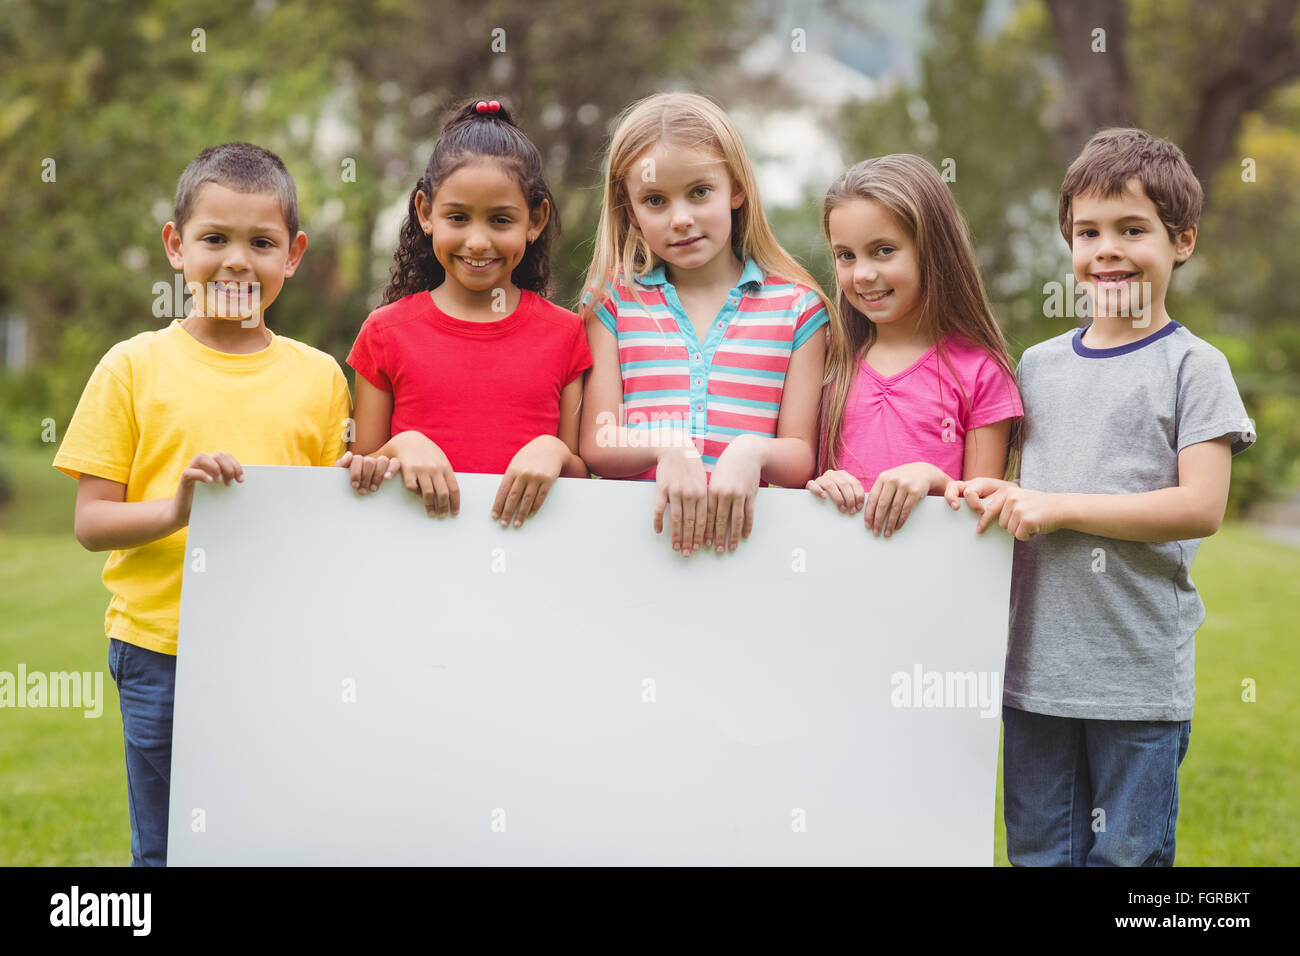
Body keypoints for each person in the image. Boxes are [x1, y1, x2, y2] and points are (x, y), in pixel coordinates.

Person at [957, 128, 1256, 866]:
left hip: (1135, 683)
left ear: (1181, 241)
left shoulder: (1196, 366)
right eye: (1088, 232)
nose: (1107, 250)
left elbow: (1200, 508)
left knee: (1127, 862)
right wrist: (1004, 494)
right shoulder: (1039, 365)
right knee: (1039, 855)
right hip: (1034, 678)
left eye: (1132, 230)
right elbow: (1022, 487)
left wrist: (1060, 507)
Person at [53, 143, 352, 865]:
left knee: (266, 841)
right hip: (161, 649)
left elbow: (327, 532)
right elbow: (92, 522)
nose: (237, 262)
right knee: (168, 847)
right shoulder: (132, 367)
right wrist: (177, 508)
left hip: (277, 650)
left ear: (294, 255)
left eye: (261, 242)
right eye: (214, 238)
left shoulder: (319, 379)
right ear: (175, 245)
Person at [578, 91, 831, 556]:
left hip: (750, 550)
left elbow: (799, 456)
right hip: (635, 546)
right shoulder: (614, 302)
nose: (681, 219)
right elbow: (597, 440)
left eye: (699, 192)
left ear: (736, 187)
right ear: (629, 211)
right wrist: (668, 447)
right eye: (655, 200)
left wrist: (752, 451)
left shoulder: (798, 309)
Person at [343, 99, 590, 526]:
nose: (477, 241)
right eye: (458, 217)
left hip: (532, 565)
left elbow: (583, 481)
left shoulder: (566, 334)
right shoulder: (384, 333)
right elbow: (360, 476)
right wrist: (404, 446)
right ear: (426, 213)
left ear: (535, 220)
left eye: (500, 221)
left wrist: (555, 452)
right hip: (417, 563)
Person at [806, 155, 1023, 537]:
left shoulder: (980, 372)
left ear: (932, 250)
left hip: (931, 588)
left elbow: (983, 518)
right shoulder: (824, 360)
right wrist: (819, 487)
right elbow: (795, 484)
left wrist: (935, 480)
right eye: (846, 255)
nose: (863, 274)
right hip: (830, 580)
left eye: (884, 250)